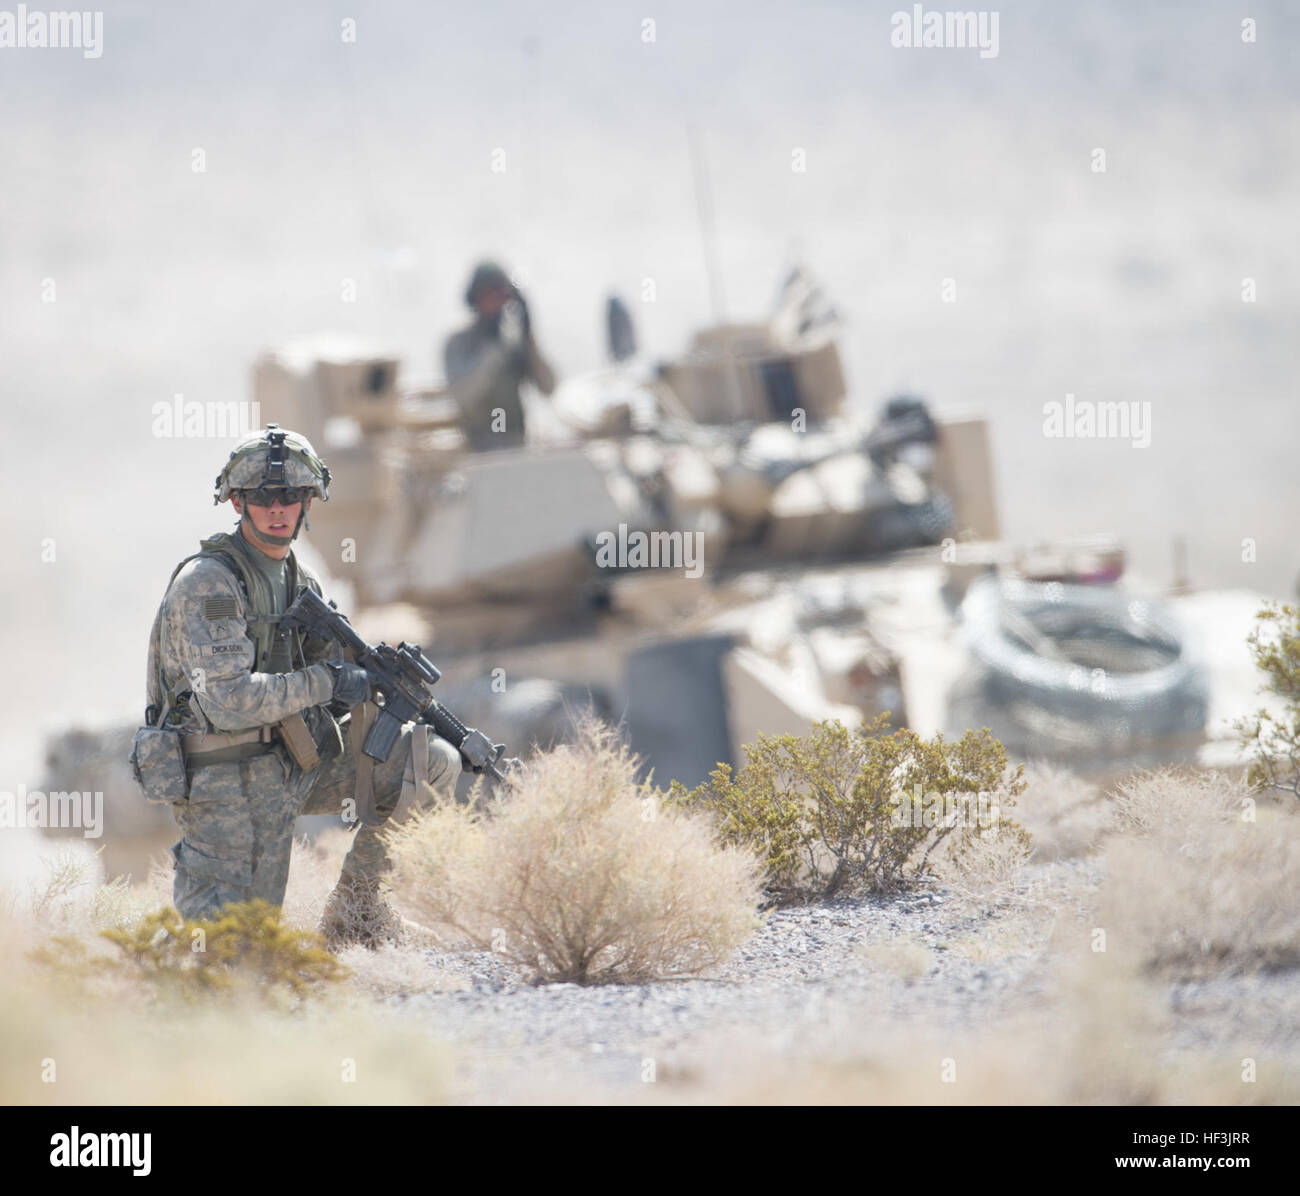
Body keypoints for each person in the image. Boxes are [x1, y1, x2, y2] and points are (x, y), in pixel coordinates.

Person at [145, 424, 460, 948]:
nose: (278, 507)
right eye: (265, 496)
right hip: (226, 780)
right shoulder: (209, 583)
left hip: (294, 765)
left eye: (291, 495)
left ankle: (356, 914)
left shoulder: (300, 581)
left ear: (308, 502)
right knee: (233, 954)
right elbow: (229, 700)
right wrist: (327, 679)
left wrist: (364, 685)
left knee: (430, 762)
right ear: (238, 502)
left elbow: (320, 678)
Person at [443, 260, 556, 450]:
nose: (498, 303)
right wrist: (495, 353)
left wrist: (529, 339)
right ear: (476, 298)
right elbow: (462, 397)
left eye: (502, 296)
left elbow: (549, 387)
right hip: (478, 448)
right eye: (491, 295)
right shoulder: (460, 343)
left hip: (517, 444)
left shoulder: (516, 343)